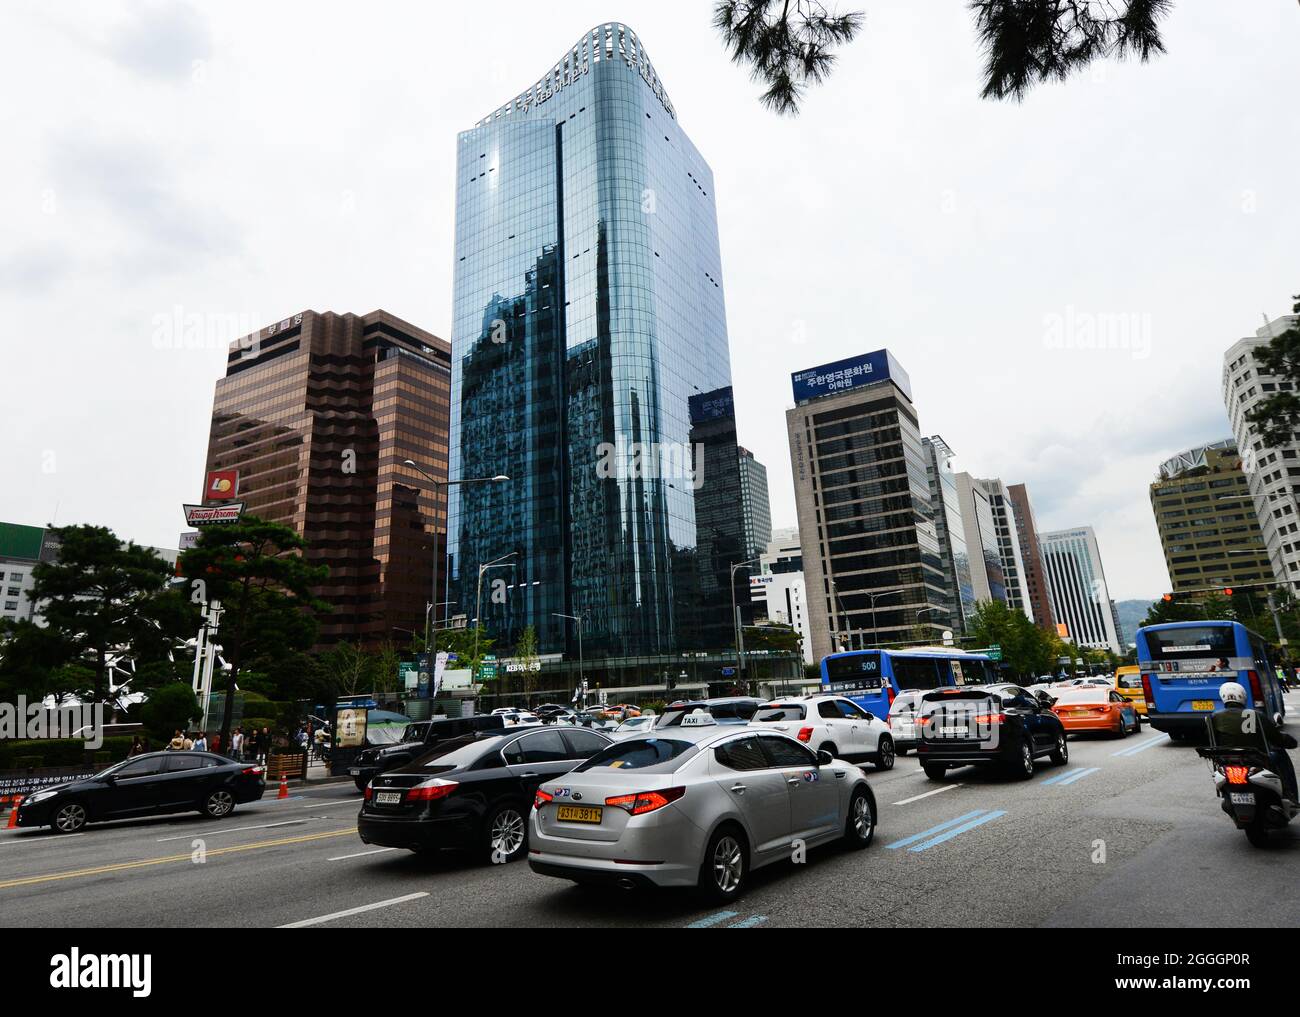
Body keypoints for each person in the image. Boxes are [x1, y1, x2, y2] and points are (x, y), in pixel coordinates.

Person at [1209, 681, 1298, 802]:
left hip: (1226, 761)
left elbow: (1211, 740)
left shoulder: (1214, 717)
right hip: (1257, 760)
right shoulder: (1256, 715)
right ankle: (1289, 795)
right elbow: (1276, 738)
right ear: (1243, 697)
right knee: (1280, 754)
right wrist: (1289, 742)